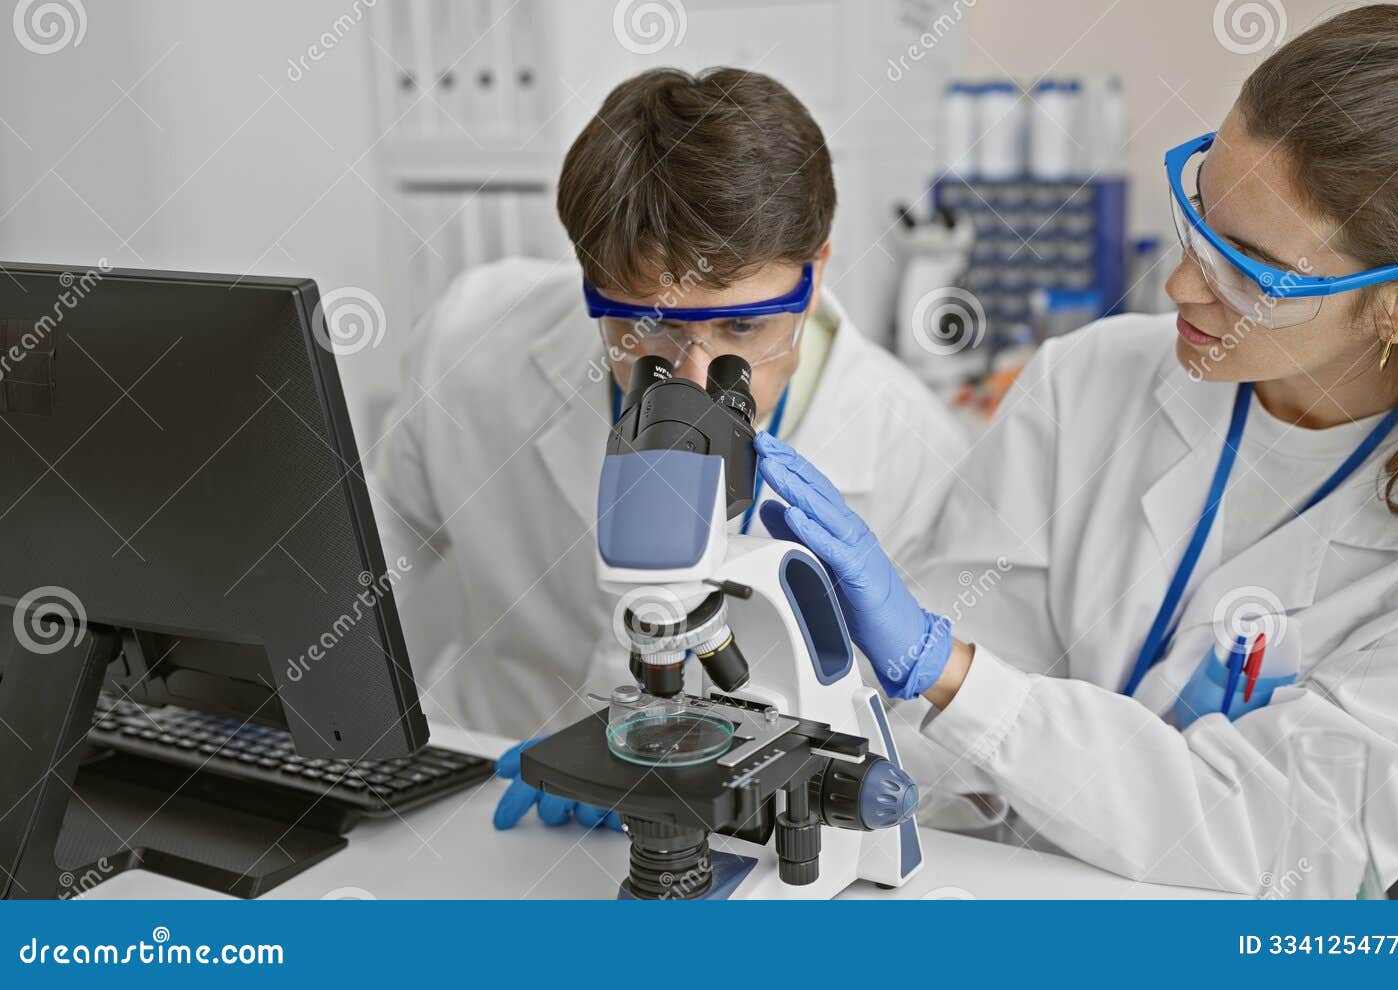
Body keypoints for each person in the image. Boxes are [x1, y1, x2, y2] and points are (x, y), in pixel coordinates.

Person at [756, 6, 1398, 894]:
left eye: (1251, 266)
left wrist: (953, 676)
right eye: (1199, 209)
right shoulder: (1090, 380)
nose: (1181, 284)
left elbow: (1278, 838)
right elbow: (929, 747)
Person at [369, 68, 979, 830]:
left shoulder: (914, 448)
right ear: (590, 281)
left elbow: (935, 774)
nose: (691, 377)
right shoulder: (473, 340)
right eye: (647, 327)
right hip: (484, 794)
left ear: (815, 273)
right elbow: (369, 573)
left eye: (742, 330)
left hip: (726, 838)